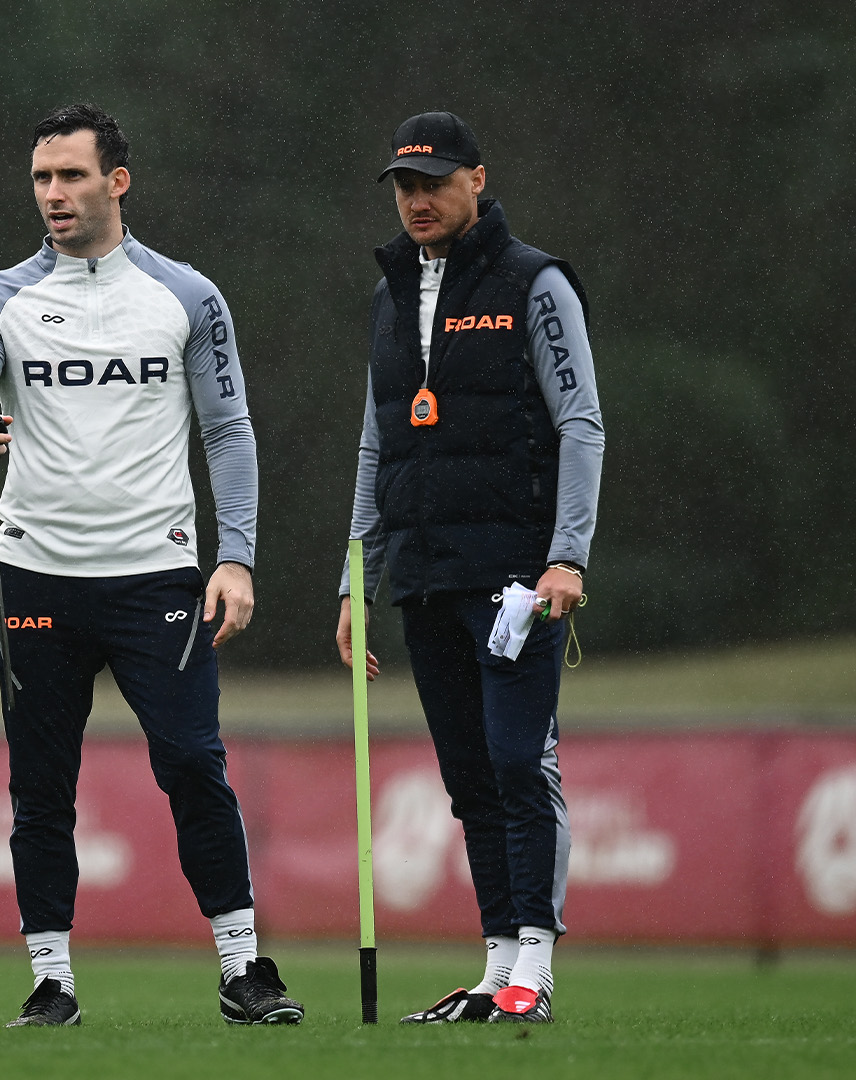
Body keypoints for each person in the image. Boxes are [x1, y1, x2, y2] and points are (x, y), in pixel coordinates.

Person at [0, 103, 302, 1028]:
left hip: (158, 577)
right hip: (37, 576)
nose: (53, 195)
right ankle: (52, 982)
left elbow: (228, 429)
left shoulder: (186, 295)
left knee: (191, 764)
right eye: (41, 180)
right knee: (40, 784)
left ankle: (244, 969)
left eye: (71, 176)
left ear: (118, 182)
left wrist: (239, 559)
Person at [337, 111, 604, 1024]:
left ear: (477, 181)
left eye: (435, 182)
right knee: (467, 777)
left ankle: (537, 963)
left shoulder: (535, 282)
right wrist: (355, 578)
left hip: (517, 578)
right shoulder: (386, 294)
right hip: (421, 570)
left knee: (517, 761)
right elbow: (378, 442)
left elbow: (581, 423)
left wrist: (567, 554)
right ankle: (496, 967)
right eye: (405, 186)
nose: (418, 200)